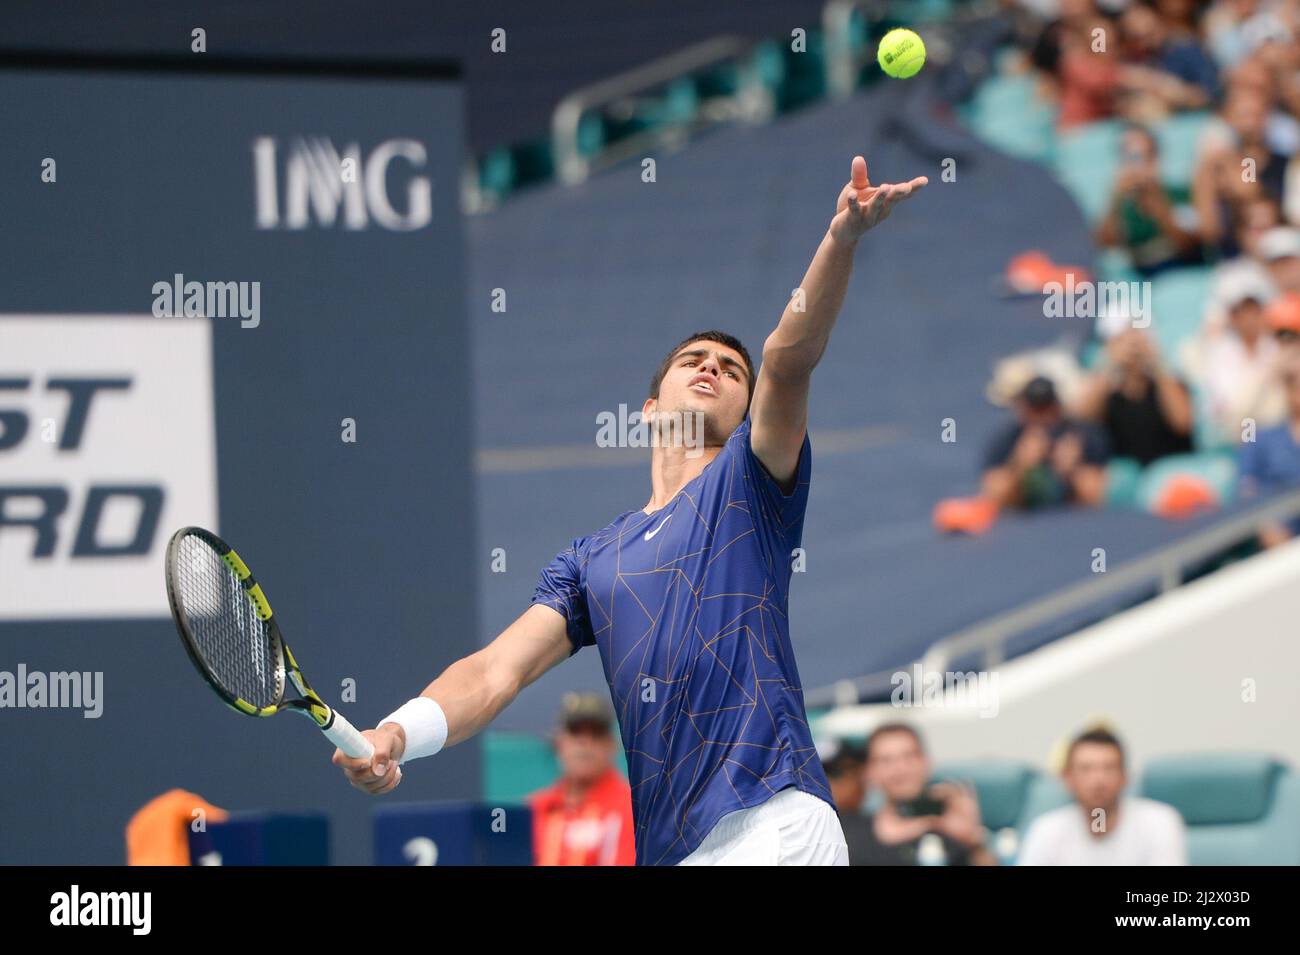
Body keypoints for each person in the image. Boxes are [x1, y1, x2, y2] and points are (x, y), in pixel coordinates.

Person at [332, 155, 928, 866]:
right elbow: (496, 672)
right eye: (695, 360)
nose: (713, 367)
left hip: (773, 817)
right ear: (650, 410)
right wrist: (397, 731)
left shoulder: (751, 482)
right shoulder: (590, 561)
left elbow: (789, 357)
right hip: (677, 849)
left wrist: (841, 239)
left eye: (730, 370)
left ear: (746, 413)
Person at [1018, 728, 1188, 865]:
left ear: (1125, 777)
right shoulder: (1046, 830)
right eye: (1086, 769)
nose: (1098, 780)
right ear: (1068, 778)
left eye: (1109, 768)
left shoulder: (1160, 822)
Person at [852, 723, 997, 866]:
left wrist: (973, 841)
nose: (900, 769)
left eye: (909, 757)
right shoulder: (851, 833)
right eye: (886, 760)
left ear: (926, 762)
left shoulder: (954, 830)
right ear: (870, 770)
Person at [527, 693, 635, 866]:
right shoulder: (533, 808)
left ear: (611, 745)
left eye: (596, 733)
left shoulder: (632, 809)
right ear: (559, 742)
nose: (585, 742)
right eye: (575, 731)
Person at [982, 375, 1111, 509]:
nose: (1042, 415)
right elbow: (993, 487)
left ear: (1058, 405)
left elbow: (1101, 480)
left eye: (1047, 407)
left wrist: (1072, 470)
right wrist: (1020, 466)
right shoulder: (1008, 437)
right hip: (1023, 495)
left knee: (1090, 482)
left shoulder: (1083, 433)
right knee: (1000, 485)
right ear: (1023, 409)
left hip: (1069, 496)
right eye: (1035, 409)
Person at [1074, 323, 1195, 465]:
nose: (1131, 349)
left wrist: (1156, 363)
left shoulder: (1168, 384)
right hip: (1128, 477)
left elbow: (1183, 423)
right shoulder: (1108, 395)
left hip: (1171, 471)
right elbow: (1083, 419)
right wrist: (1110, 364)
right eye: (1121, 341)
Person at [1094, 124, 1201, 275]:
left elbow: (1188, 245)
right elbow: (1104, 244)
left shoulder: (1180, 194)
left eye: (1146, 157)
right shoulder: (1122, 205)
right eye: (1130, 158)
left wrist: (1155, 201)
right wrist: (1115, 198)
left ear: (1156, 159)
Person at [1238, 347, 1300, 547]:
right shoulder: (1263, 437)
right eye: (1292, 380)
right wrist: (1269, 378)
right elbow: (1245, 486)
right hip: (1277, 538)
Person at [818, 737, 874, 865]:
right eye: (820, 775)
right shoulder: (811, 829)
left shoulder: (883, 823)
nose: (827, 782)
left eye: (836, 773)